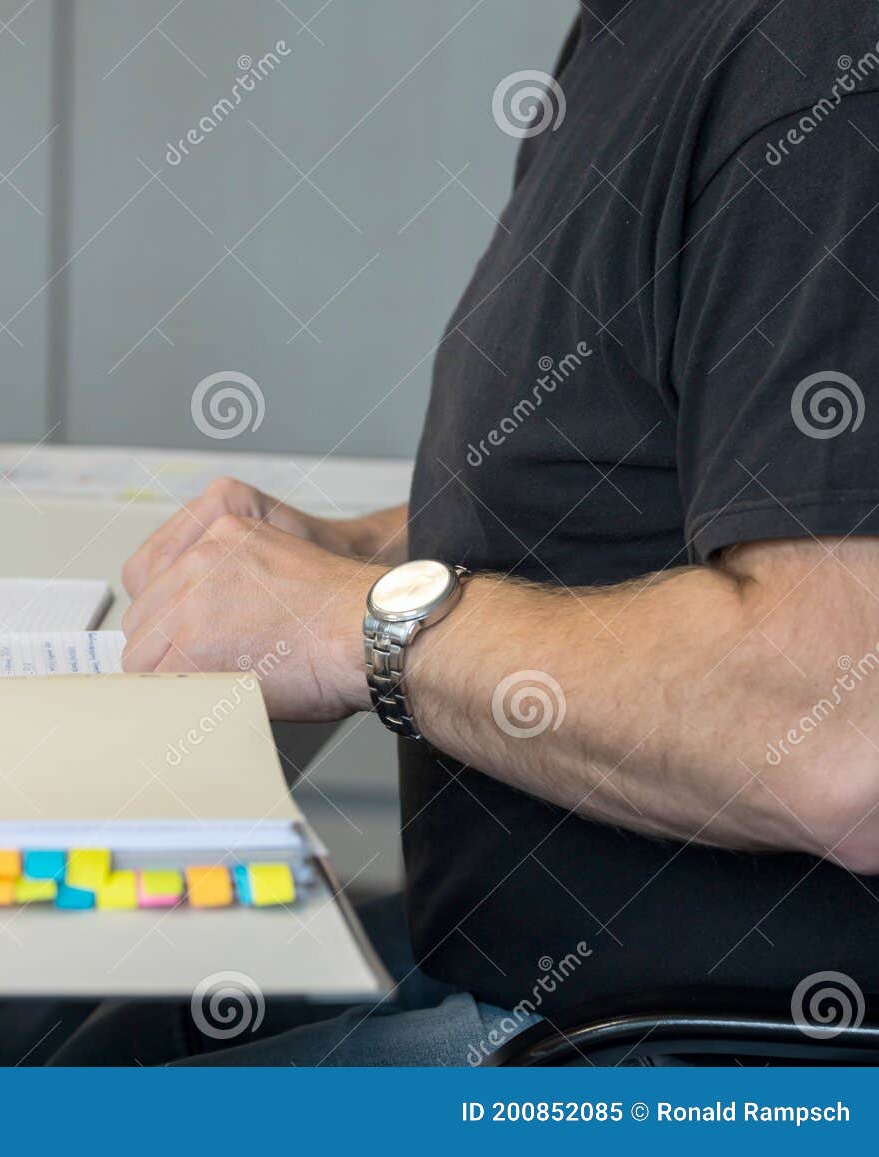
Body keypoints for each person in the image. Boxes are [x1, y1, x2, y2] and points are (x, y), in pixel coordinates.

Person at [101, 0, 879, 1064]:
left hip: (693, 1057)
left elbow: (845, 740)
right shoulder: (649, 30)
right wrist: (370, 554)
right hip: (534, 981)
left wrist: (361, 623)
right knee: (28, 1029)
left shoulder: (818, 66)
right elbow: (665, 481)